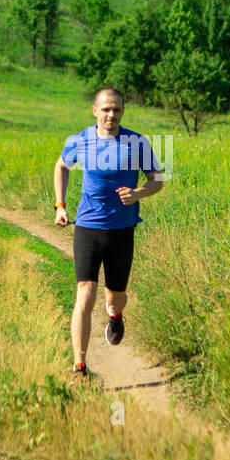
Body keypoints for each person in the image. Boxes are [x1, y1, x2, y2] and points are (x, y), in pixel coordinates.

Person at [53, 87, 164, 376]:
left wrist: (138, 193)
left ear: (122, 112)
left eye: (116, 109)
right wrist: (60, 205)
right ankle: (80, 364)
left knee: (116, 295)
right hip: (88, 227)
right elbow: (61, 166)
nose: (111, 114)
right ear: (95, 110)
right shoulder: (80, 140)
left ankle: (115, 315)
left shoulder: (137, 143)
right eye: (106, 109)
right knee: (85, 295)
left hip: (122, 230)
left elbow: (157, 180)